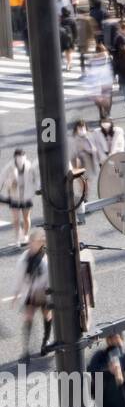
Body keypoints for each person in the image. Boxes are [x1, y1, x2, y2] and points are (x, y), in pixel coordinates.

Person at [14, 229, 51, 362]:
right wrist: (16, 294)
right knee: (28, 318)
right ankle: (26, 351)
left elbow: (51, 276)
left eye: (38, 242)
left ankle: (45, 342)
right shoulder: (24, 259)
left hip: (45, 291)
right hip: (30, 292)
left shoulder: (46, 257)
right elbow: (19, 277)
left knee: (47, 314)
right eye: (33, 241)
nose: (33, 244)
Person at [0, 149, 39, 245]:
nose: (21, 160)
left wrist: (37, 188)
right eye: (19, 158)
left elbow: (35, 178)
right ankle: (17, 237)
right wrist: (9, 183)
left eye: (22, 158)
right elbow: (2, 179)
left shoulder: (29, 166)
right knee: (16, 219)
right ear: (15, 158)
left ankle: (25, 235)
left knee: (26, 218)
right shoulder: (10, 167)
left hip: (26, 196)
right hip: (15, 197)